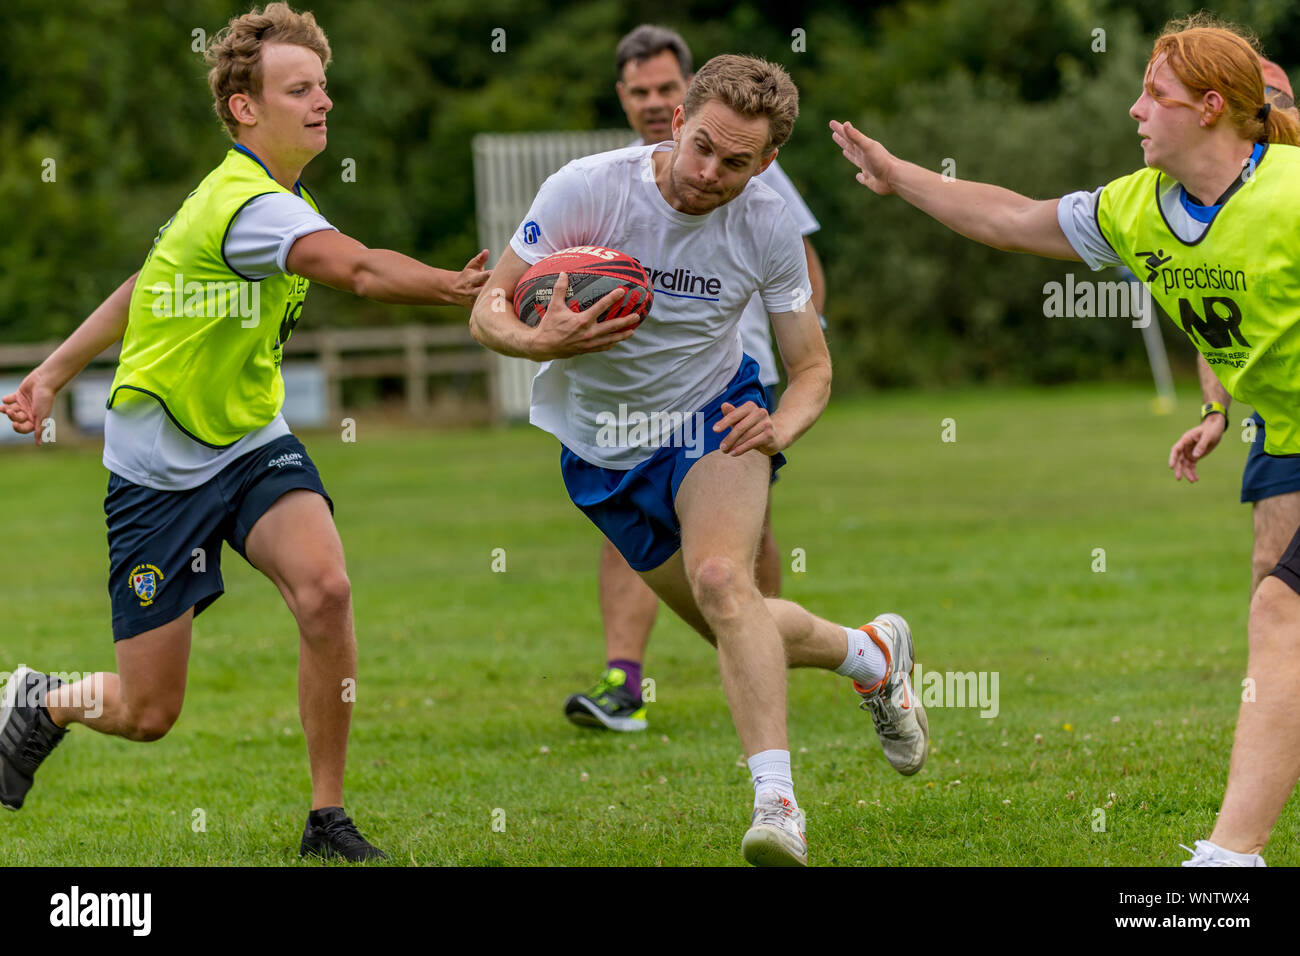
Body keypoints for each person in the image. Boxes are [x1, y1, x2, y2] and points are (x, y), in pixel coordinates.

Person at [0, 2, 488, 861]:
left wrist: (50, 371)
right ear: (244, 108)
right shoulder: (247, 205)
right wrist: (456, 287)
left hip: (251, 441)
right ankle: (40, 701)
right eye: (299, 89)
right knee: (148, 713)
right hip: (158, 469)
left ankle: (326, 819)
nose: (322, 102)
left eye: (324, 86)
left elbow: (142, 281)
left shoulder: (272, 197)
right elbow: (362, 271)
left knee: (326, 590)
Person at [831, 13, 1300, 866]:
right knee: (1278, 603)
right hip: (1291, 436)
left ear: (1207, 106)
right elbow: (1011, 219)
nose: (1133, 110)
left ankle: (1228, 866)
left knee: (1281, 609)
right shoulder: (1141, 207)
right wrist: (900, 176)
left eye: (1152, 95)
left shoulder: (1294, 194)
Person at [471, 54, 927, 867]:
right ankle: (873, 654)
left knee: (725, 582)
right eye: (702, 148)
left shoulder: (766, 227)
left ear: (769, 163)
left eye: (737, 162)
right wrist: (538, 339)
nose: (709, 173)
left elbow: (812, 367)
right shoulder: (587, 188)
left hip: (712, 420)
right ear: (677, 121)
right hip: (601, 448)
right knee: (742, 628)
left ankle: (778, 807)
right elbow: (490, 305)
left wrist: (780, 427)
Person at [564, 24, 827, 733]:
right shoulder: (604, 182)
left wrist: (794, 373)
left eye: (663, 87)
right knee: (640, 532)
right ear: (631, 100)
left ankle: (757, 665)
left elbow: (801, 278)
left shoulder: (751, 169)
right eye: (640, 91)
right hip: (630, 401)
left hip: (731, 387)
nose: (653, 102)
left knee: (730, 558)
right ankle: (630, 677)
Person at [1169, 58, 1300, 598]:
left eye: (1283, 102)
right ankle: (1269, 684)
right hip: (1280, 420)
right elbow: (1222, 324)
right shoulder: (1220, 205)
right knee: (1272, 570)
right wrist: (1215, 411)